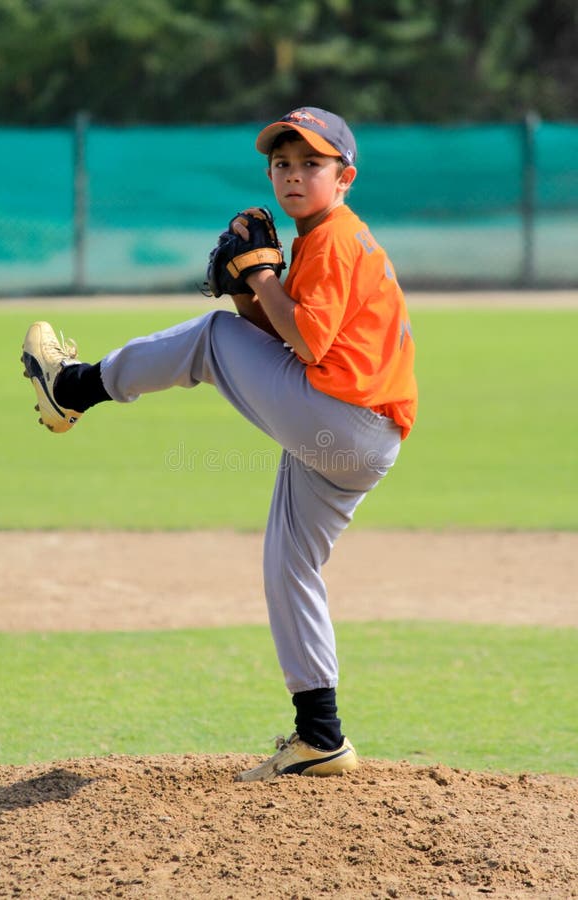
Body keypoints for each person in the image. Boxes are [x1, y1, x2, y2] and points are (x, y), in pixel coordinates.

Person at [21, 106, 418, 782]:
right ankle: (320, 734)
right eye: (282, 164)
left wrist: (259, 278)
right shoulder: (333, 239)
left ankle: (76, 388)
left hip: (341, 422)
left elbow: (305, 342)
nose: (293, 176)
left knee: (208, 339)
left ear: (344, 176)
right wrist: (247, 290)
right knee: (288, 564)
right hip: (365, 438)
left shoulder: (334, 240)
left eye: (312, 165)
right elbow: (275, 338)